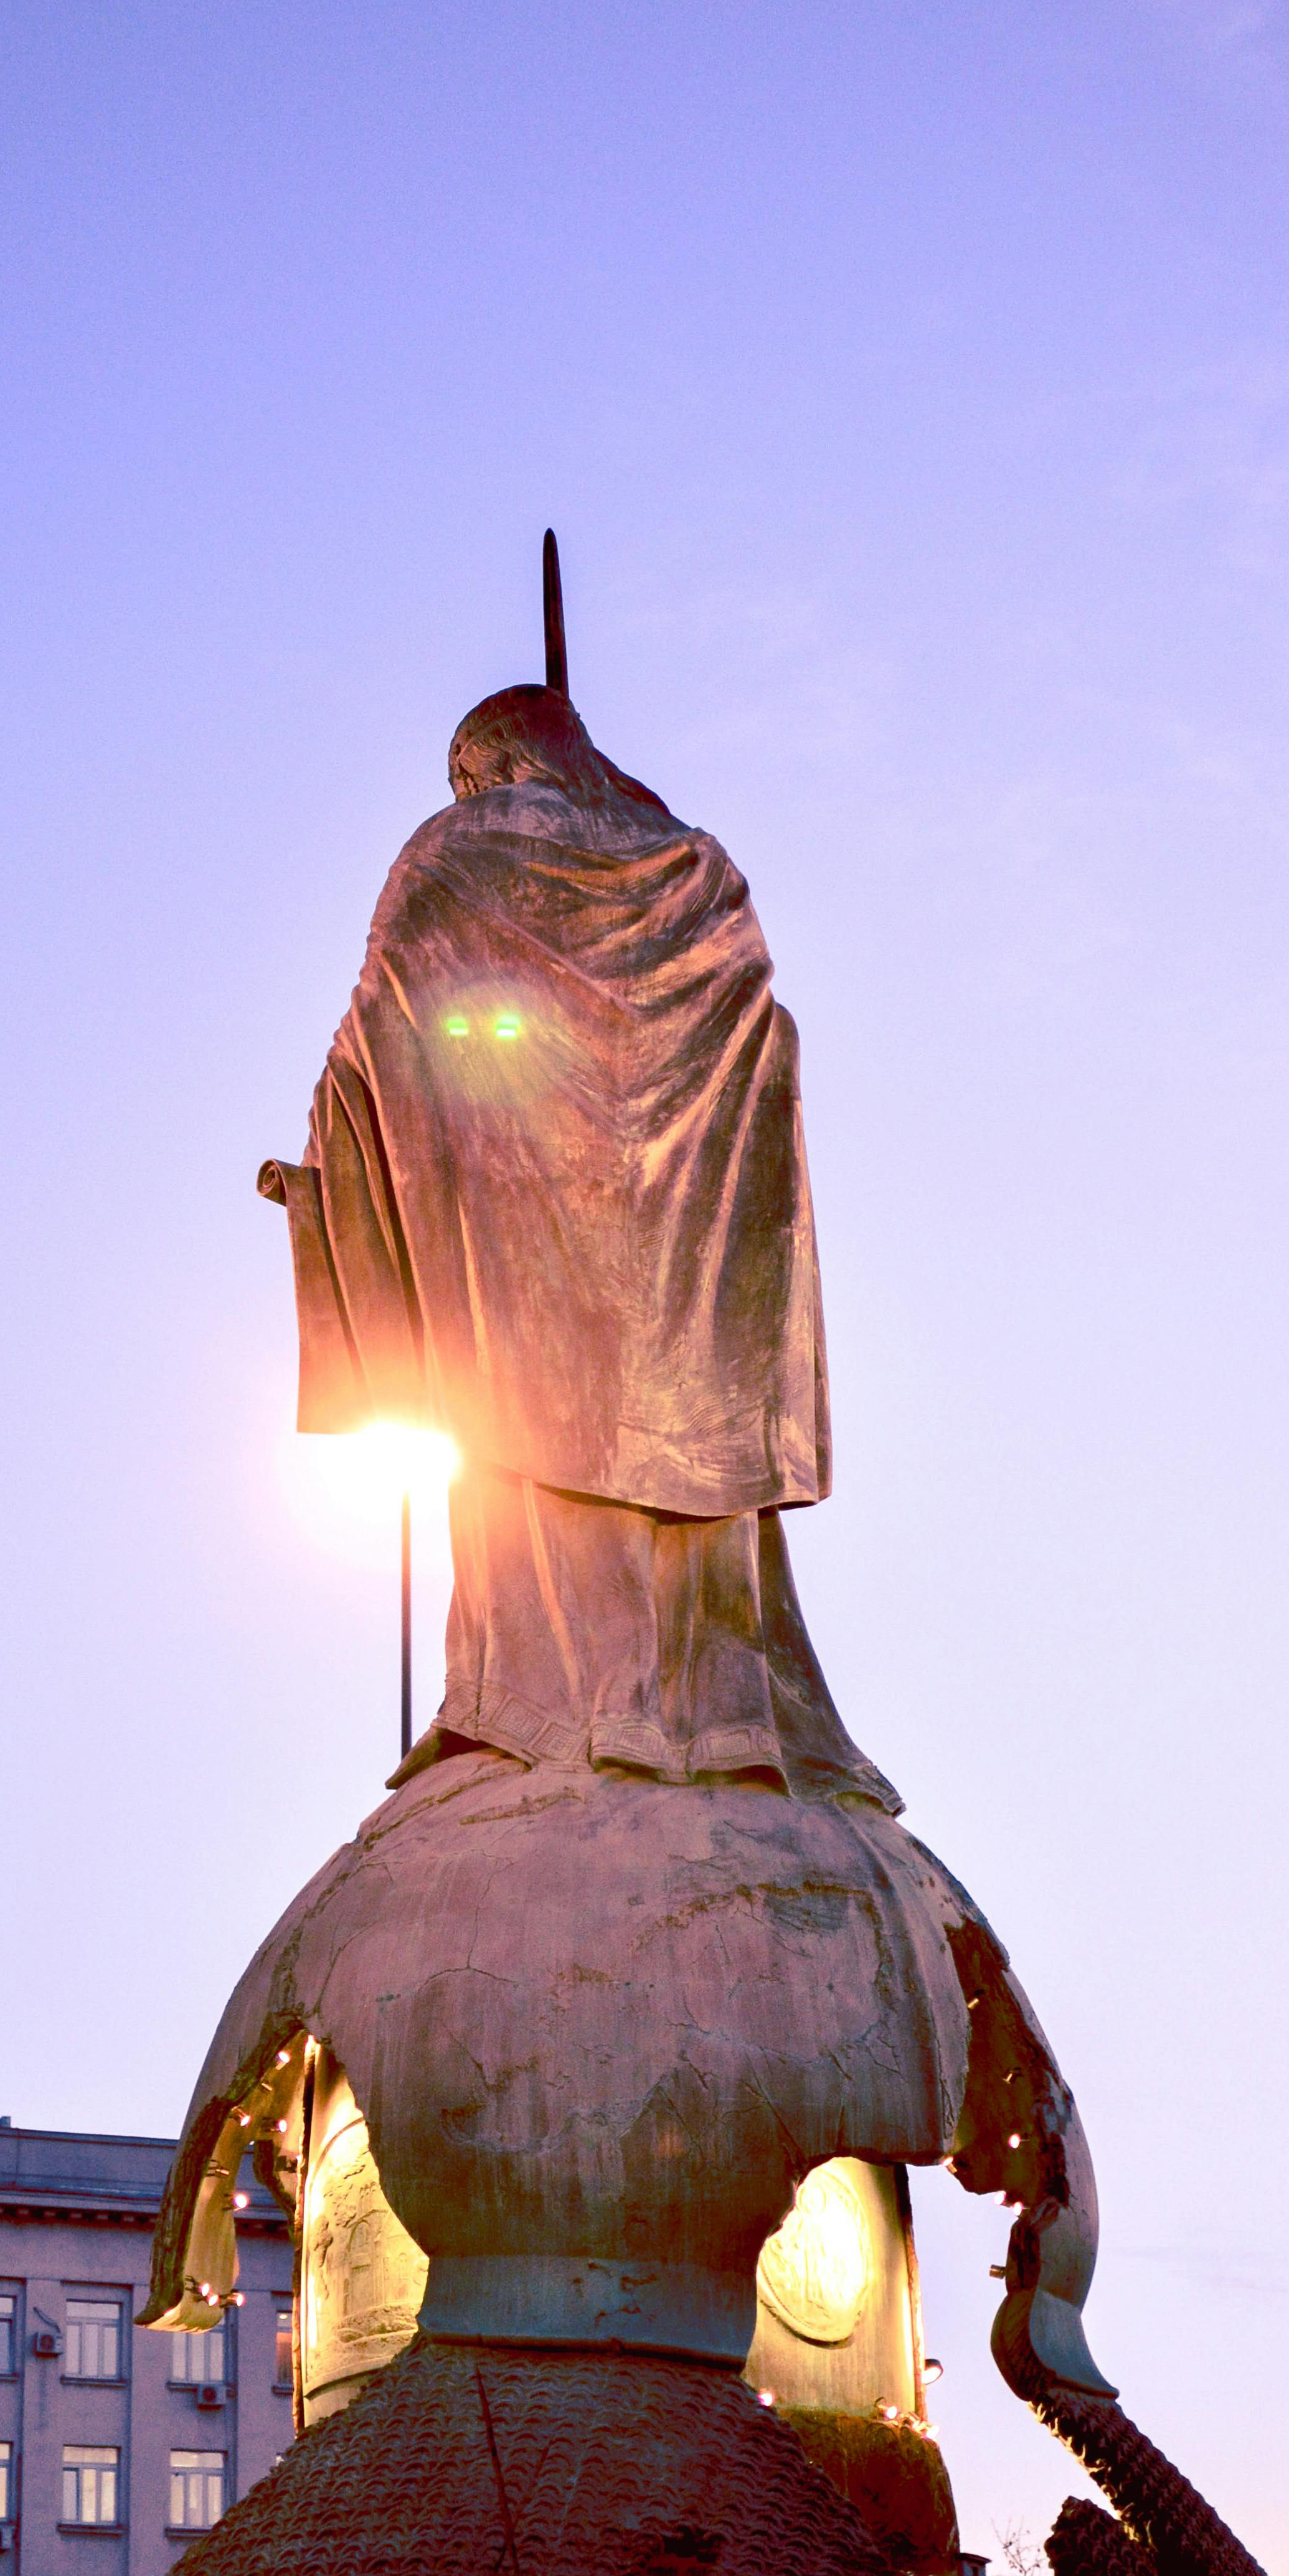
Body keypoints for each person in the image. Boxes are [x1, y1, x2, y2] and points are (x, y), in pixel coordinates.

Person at [262, 677, 897, 1810]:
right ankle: (718, 1703)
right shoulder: (695, 867)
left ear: (496, 761)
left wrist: (336, 1166)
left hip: (515, 1251)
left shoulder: (458, 849)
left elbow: (386, 1020)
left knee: (518, 1442)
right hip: (689, 1262)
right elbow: (762, 1029)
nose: (468, 794)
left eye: (469, 773)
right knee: (682, 1463)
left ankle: (542, 1702)